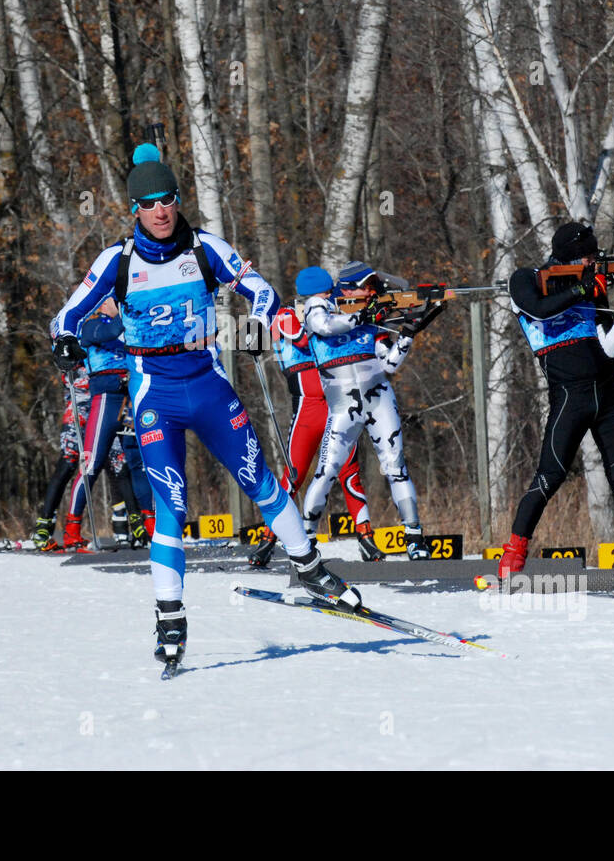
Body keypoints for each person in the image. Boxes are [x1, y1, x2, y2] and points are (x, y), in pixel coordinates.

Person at [50, 143, 361, 670]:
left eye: (168, 198)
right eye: (148, 203)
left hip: (208, 385)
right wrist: (65, 340)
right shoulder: (117, 261)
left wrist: (265, 313)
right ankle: (170, 615)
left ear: (177, 199)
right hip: (155, 396)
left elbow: (258, 288)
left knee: (260, 480)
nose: (161, 210)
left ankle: (309, 567)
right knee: (172, 506)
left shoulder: (205, 250)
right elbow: (66, 316)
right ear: (134, 209)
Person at [503, 222, 614, 580]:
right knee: (549, 477)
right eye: (586, 256)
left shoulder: (589, 286)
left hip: (608, 390)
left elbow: (608, 348)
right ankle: (514, 555)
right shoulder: (525, 278)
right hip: (569, 396)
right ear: (567, 256)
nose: (592, 261)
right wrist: (582, 287)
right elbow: (537, 310)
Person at [298, 262, 436, 560]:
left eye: (373, 285)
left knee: (396, 468)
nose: (370, 290)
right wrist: (363, 315)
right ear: (346, 289)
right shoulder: (318, 307)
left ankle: (414, 536)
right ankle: (305, 541)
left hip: (380, 399)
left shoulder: (373, 317)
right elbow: (324, 326)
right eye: (364, 285)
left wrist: (409, 332)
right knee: (327, 471)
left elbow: (390, 364)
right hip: (342, 407)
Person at [247, 300, 376, 566]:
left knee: (349, 473)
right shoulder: (285, 315)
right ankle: (268, 539)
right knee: (292, 477)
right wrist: (251, 334)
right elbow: (300, 338)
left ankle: (366, 537)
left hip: (337, 406)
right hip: (307, 410)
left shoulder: (333, 318)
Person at [59, 297, 154, 549]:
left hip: (131, 392)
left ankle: (152, 526)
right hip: (106, 395)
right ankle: (71, 529)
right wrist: (121, 314)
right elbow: (112, 331)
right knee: (91, 462)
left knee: (138, 461)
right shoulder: (90, 325)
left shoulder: (129, 323)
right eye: (113, 300)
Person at [30, 366, 92, 552]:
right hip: (79, 406)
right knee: (68, 462)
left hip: (108, 401)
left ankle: (129, 526)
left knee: (117, 462)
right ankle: (44, 525)